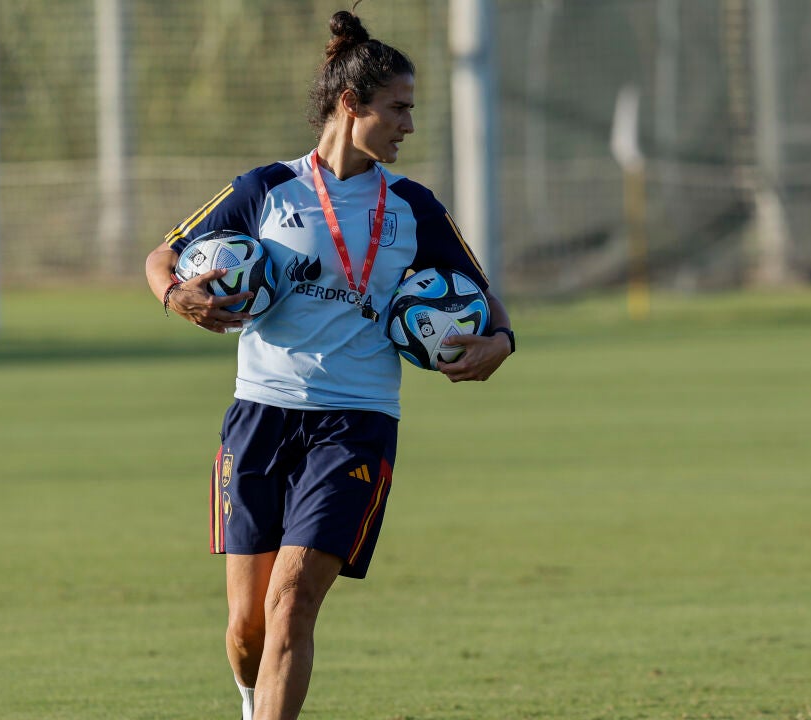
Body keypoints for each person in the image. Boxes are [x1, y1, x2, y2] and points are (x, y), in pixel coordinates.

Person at [144, 8, 515, 720]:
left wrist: (500, 343)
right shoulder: (264, 189)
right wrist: (175, 294)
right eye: (398, 109)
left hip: (356, 425)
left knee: (291, 603)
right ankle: (251, 702)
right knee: (247, 629)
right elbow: (164, 255)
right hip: (260, 416)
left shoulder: (414, 208)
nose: (409, 125)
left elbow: (487, 300)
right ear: (351, 104)